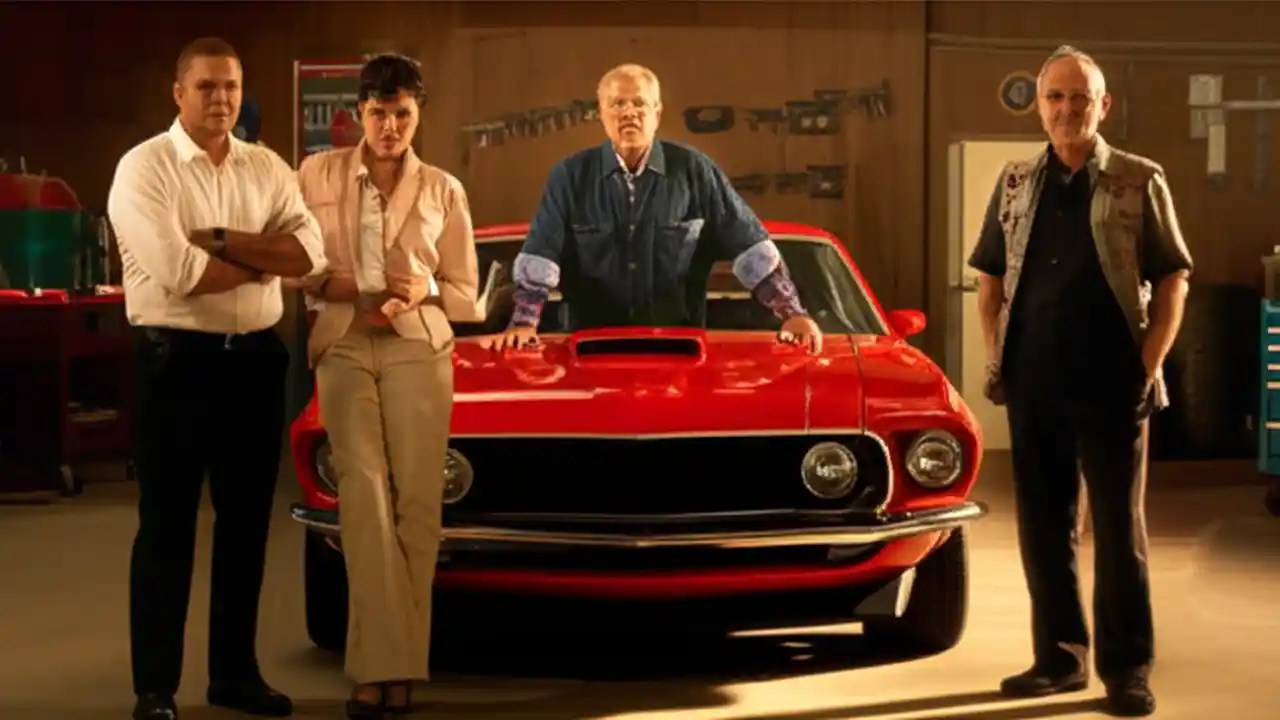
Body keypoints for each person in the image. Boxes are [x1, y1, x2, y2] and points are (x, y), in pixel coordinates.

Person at [968, 45, 1193, 717]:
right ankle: (1058, 660)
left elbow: (1174, 274)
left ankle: (1128, 671)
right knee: (1043, 525)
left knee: (1120, 532)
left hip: (1113, 380)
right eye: (1055, 98)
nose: (1067, 109)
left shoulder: (1136, 178)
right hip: (1034, 377)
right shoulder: (1014, 182)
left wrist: (1148, 364)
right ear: (1040, 106)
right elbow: (989, 276)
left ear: (1104, 104)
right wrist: (994, 355)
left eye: (1079, 97)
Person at [106, 38, 327, 720]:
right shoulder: (144, 169)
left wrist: (225, 241)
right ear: (178, 92)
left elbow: (310, 254)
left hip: (256, 362)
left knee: (245, 529)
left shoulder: (266, 167)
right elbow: (181, 272)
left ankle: (234, 674)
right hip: (176, 364)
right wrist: (268, 261)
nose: (220, 99)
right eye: (206, 87)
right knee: (167, 528)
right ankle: (155, 689)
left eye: (230, 86)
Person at [295, 53, 482, 719]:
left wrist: (425, 286)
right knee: (364, 501)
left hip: (419, 349)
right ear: (359, 112)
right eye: (378, 112)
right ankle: (386, 670)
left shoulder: (443, 190)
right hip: (343, 344)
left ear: (418, 113)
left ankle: (384, 671)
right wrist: (326, 281)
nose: (390, 126)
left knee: (417, 510)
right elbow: (294, 262)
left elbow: (466, 296)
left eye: (403, 113)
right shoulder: (314, 173)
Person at [489, 63, 822, 353]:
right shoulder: (570, 176)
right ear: (601, 113)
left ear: (657, 113)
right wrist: (524, 323)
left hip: (681, 353)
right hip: (586, 355)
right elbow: (542, 253)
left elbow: (749, 246)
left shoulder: (695, 170)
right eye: (617, 103)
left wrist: (792, 313)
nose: (629, 112)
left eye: (639, 103)